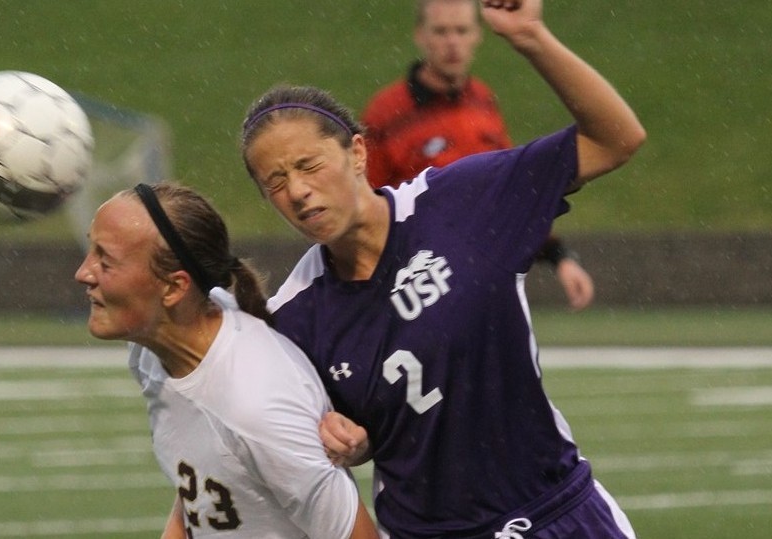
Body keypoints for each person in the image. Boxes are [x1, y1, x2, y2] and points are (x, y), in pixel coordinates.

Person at [239, 1, 646, 537]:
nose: (296, 191)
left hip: (560, 512)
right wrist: (347, 439)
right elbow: (344, 437)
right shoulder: (294, 317)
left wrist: (530, 37)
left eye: (309, 165)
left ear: (358, 152)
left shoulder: (463, 199)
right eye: (274, 181)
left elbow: (616, 138)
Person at [74, 182, 379, 538]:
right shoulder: (151, 351)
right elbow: (203, 477)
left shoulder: (256, 405)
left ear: (173, 288)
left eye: (104, 260)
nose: (84, 272)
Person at [362, 0, 594, 311]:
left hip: (486, 280)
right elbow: (364, 206)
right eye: (441, 32)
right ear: (421, 35)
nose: (452, 42)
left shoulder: (483, 100)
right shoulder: (386, 112)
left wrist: (558, 256)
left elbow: (512, 190)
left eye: (461, 31)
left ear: (477, 35)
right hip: (420, 286)